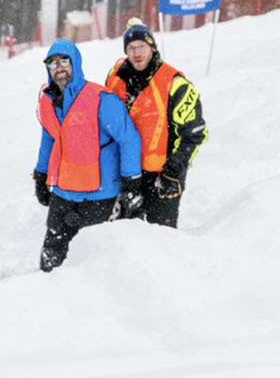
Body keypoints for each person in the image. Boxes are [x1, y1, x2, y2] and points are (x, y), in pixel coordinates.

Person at [34, 39, 143, 271]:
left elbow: (129, 138)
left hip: (99, 194)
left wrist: (131, 179)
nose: (59, 68)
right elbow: (49, 137)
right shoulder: (47, 100)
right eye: (52, 64)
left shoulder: (101, 99)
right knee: (51, 258)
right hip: (63, 192)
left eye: (64, 61)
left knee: (91, 264)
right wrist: (41, 174)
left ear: (76, 63)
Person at [101, 18, 208, 228]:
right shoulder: (116, 77)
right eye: (131, 47)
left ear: (152, 48)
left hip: (162, 176)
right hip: (126, 173)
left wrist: (174, 171)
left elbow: (195, 133)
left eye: (142, 46)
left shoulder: (175, 84)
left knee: (161, 240)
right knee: (124, 238)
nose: (136, 52)